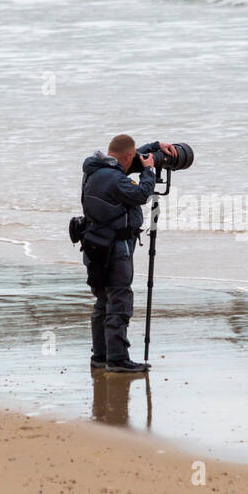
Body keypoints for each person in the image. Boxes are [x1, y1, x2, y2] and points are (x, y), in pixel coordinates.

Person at [80, 134, 179, 372]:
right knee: (119, 301)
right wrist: (148, 171)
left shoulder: (97, 170)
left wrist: (155, 148)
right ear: (126, 156)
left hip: (96, 245)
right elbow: (141, 194)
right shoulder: (114, 179)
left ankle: (100, 356)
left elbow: (129, 161)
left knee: (103, 302)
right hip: (115, 248)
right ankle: (118, 359)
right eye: (132, 158)